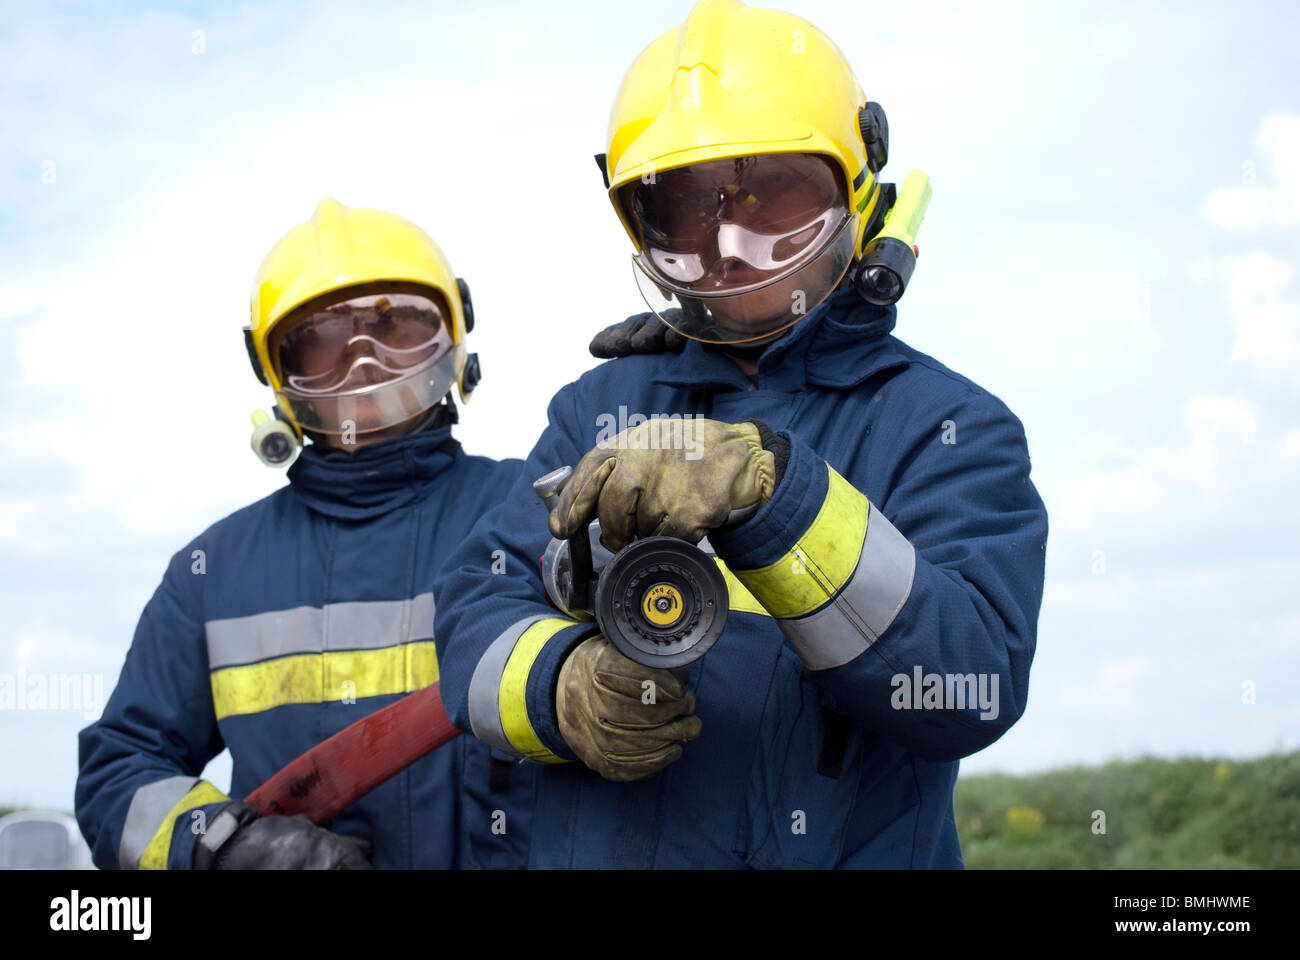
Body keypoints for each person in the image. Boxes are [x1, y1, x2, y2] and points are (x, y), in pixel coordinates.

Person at [433, 0, 1049, 868]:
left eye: (773, 199)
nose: (728, 246)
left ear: (858, 187)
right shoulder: (594, 409)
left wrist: (780, 497)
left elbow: (967, 688)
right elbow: (474, 609)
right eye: (685, 212)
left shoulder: (946, 426)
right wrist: (559, 685)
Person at [75, 200, 540, 868]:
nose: (366, 364)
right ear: (273, 370)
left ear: (454, 331)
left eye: (395, 325)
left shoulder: (533, 508)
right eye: (321, 341)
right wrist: (219, 848)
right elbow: (116, 770)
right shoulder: (211, 570)